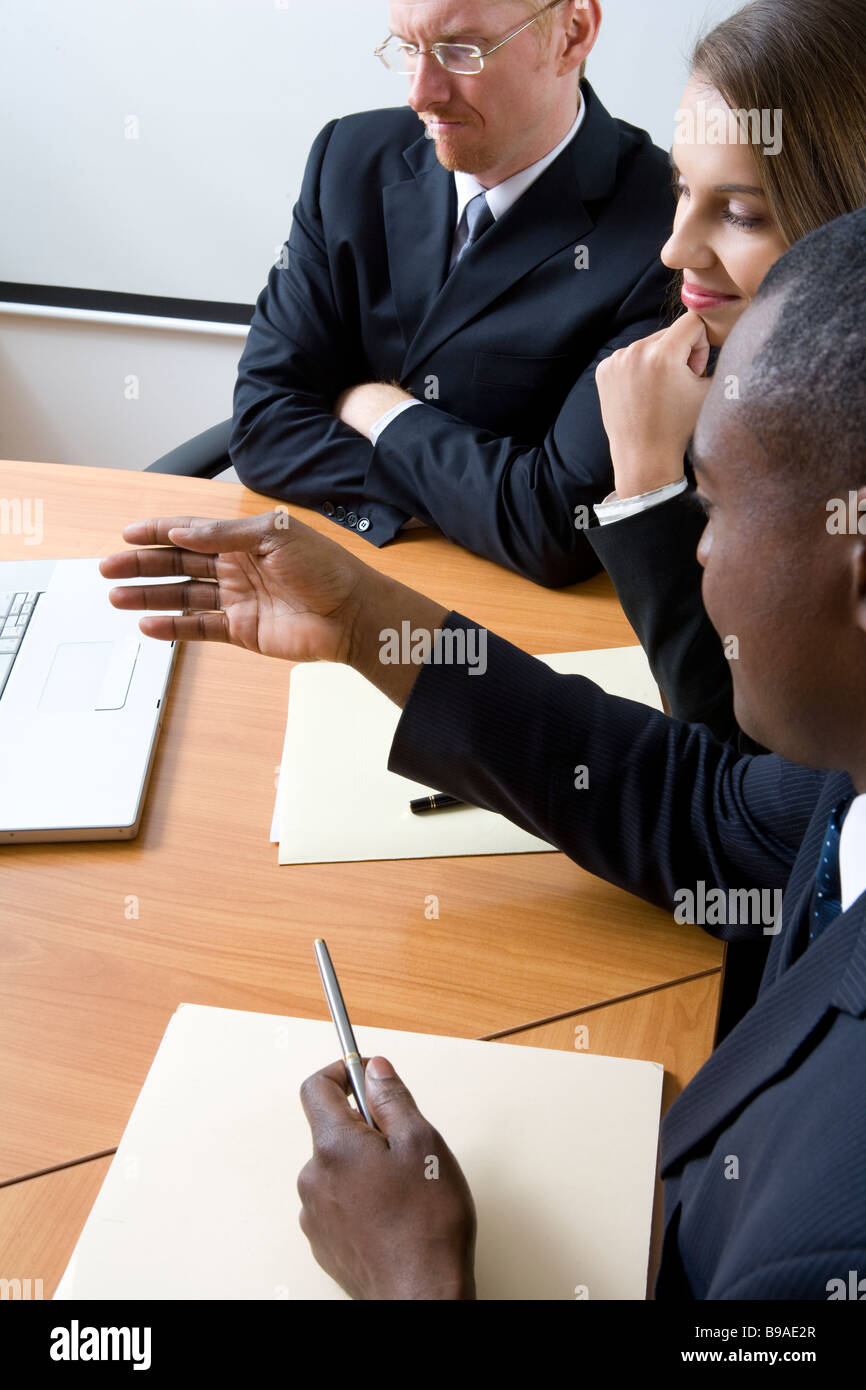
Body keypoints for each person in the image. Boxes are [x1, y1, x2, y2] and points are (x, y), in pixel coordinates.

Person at [100, 207, 866, 1299]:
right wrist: (368, 618)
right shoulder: (849, 777)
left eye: (714, 507)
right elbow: (705, 812)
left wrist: (414, 1273)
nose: (692, 549)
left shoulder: (827, 1249)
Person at [228, 0, 675, 588]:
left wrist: (378, 410)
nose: (421, 94)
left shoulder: (669, 230)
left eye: (462, 50)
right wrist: (481, 496)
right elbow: (263, 425)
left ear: (572, 33)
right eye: (408, 49)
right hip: (342, 566)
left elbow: (558, 526)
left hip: (517, 622)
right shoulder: (347, 158)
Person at [590, 0, 866, 748]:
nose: (675, 250)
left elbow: (747, 777)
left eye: (739, 213)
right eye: (681, 188)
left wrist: (646, 482)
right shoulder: (703, 370)